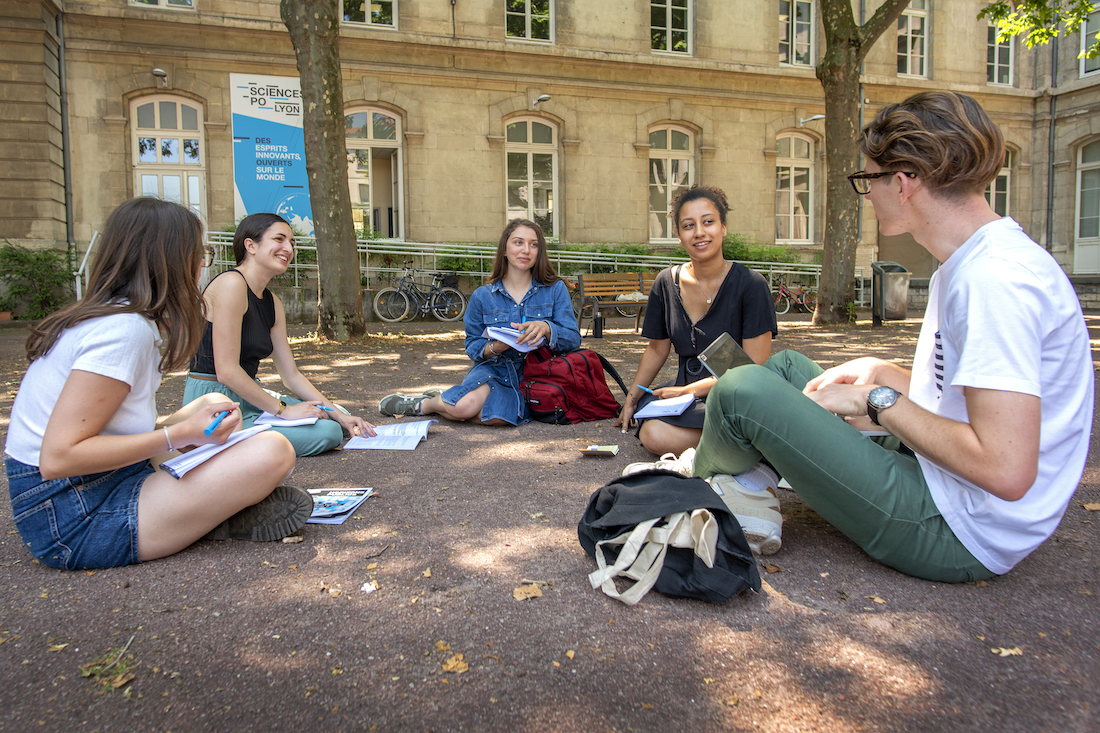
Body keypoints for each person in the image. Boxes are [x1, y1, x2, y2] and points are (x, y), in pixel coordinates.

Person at [690, 91, 1093, 580]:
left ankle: (710, 482)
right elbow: (963, 399)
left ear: (901, 183)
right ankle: (746, 479)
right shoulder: (971, 261)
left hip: (958, 527)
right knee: (787, 368)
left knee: (740, 387)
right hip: (944, 480)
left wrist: (875, 399)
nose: (867, 194)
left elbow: (1005, 470)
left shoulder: (995, 280)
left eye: (867, 179)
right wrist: (883, 372)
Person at [4, 197, 307, 571]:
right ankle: (208, 516)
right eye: (198, 254)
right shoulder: (121, 331)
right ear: (168, 259)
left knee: (211, 403)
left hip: (95, 483)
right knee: (272, 452)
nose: (201, 265)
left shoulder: (116, 317)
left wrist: (184, 431)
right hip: (74, 516)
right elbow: (58, 459)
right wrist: (176, 435)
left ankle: (203, 512)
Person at [183, 213, 375, 455]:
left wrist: (338, 415)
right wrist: (285, 410)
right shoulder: (231, 284)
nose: (289, 248)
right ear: (250, 246)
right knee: (328, 432)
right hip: (215, 402)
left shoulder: (272, 302)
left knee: (336, 415)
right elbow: (227, 371)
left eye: (292, 243)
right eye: (279, 239)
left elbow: (291, 375)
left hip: (248, 395)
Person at [613, 184, 776, 459]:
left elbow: (754, 367)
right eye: (689, 226)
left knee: (655, 435)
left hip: (735, 393)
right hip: (686, 393)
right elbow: (657, 349)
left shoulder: (751, 284)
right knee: (649, 422)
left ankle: (744, 440)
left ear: (724, 228)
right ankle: (743, 443)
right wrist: (631, 399)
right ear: (679, 236)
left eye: (708, 222)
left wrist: (689, 391)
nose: (699, 232)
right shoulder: (666, 282)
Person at [379, 219, 581, 425]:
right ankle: (423, 405)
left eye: (534, 244)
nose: (526, 250)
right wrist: (496, 347)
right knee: (463, 408)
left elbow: (573, 339)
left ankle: (448, 398)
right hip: (495, 368)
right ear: (505, 249)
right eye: (518, 242)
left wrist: (547, 328)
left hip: (538, 373)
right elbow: (472, 346)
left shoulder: (555, 290)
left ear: (539, 251)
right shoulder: (483, 296)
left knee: (495, 417)